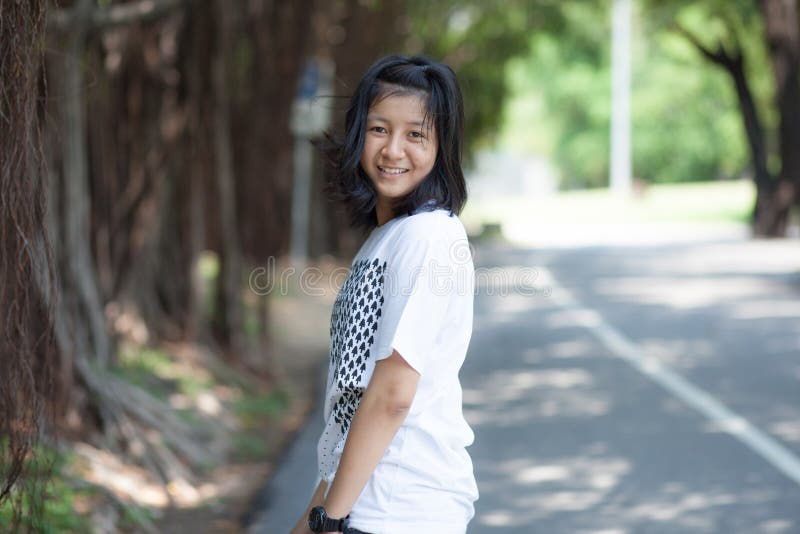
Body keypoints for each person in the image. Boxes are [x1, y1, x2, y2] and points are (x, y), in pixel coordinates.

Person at [291, 54, 478, 534]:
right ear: (358, 134)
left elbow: (393, 393)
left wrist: (328, 522)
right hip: (366, 506)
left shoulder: (428, 238)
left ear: (441, 145)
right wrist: (315, 514)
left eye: (415, 134)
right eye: (379, 129)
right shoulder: (391, 237)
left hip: (402, 509)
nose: (394, 149)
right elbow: (354, 402)